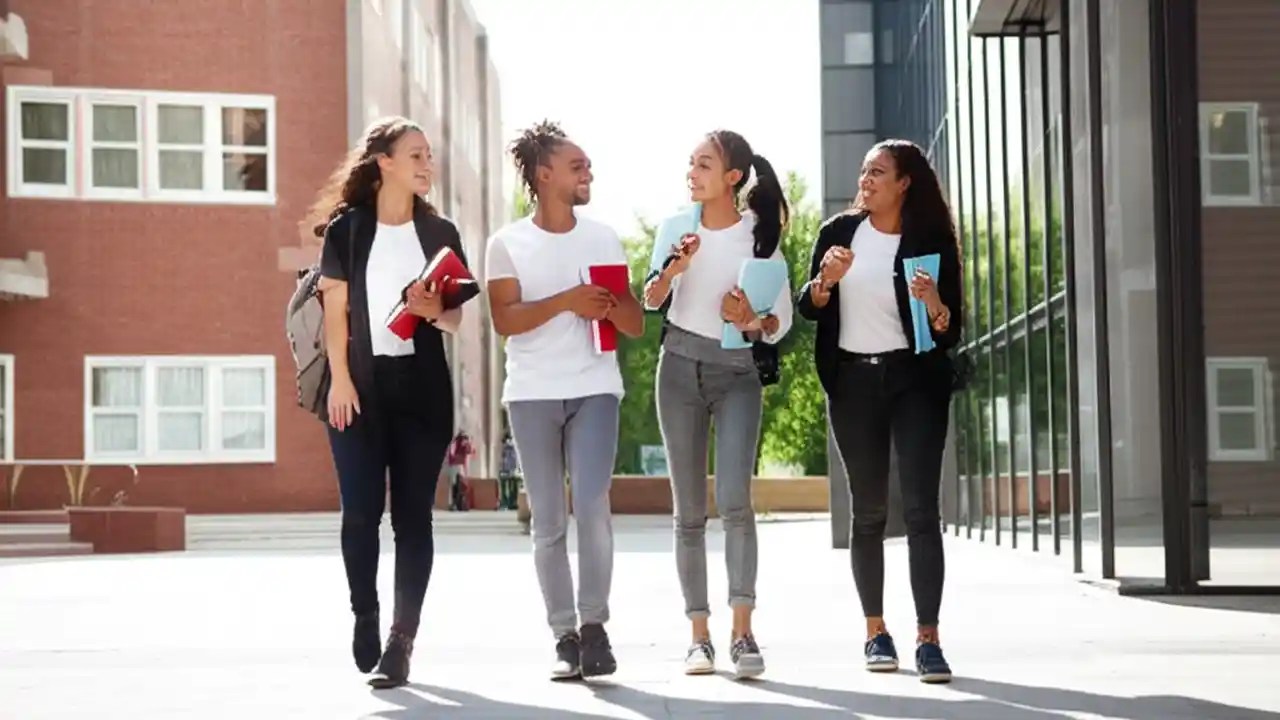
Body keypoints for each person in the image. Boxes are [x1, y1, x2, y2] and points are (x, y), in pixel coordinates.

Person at [307, 116, 474, 689]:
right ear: (385, 162)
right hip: (358, 386)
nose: (428, 164)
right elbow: (334, 316)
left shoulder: (441, 232)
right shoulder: (347, 232)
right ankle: (366, 615)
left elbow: (454, 317)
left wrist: (435, 312)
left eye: (430, 156)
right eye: (417, 155)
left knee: (412, 520)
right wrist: (342, 381)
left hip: (423, 388)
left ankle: (402, 641)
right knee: (359, 514)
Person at [795, 139, 963, 684]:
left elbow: (948, 327)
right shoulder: (838, 234)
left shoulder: (929, 239)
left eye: (878, 172)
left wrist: (934, 301)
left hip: (915, 381)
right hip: (853, 383)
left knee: (920, 510)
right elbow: (808, 306)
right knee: (867, 513)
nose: (865, 180)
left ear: (904, 183)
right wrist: (825, 283)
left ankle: (929, 640)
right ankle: (875, 632)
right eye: (864, 171)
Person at [484, 120, 644, 680]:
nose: (588, 174)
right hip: (531, 394)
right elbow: (505, 320)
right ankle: (564, 635)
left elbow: (634, 322)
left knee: (593, 503)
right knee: (548, 520)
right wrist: (568, 301)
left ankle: (595, 626)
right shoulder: (506, 243)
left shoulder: (602, 237)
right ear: (545, 175)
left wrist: (606, 307)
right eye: (578, 167)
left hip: (595, 386)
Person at [643, 130, 793, 679]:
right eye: (690, 163)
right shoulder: (675, 228)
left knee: (734, 500)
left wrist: (749, 317)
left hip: (736, 374)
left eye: (703, 163)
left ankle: (743, 632)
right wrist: (673, 271)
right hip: (678, 368)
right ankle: (698, 637)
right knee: (688, 512)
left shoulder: (760, 235)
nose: (693, 171)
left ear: (733, 176)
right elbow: (651, 299)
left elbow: (779, 322)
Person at [445, 431, 474, 511]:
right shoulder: (461, 443)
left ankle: (455, 503)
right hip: (458, 466)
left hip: (453, 466)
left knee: (455, 486)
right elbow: (470, 451)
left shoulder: (454, 443)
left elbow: (451, 454)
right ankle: (458, 504)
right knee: (459, 486)